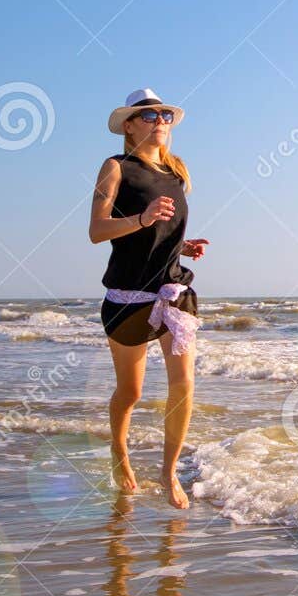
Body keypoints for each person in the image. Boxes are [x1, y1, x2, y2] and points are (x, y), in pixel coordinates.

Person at [88, 88, 209, 509]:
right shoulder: (115, 167)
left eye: (165, 115)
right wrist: (139, 219)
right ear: (129, 125)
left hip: (174, 291)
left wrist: (182, 246)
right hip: (128, 296)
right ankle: (119, 454)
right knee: (131, 392)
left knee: (184, 383)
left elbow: (159, 235)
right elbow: (97, 231)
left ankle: (167, 470)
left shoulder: (177, 175)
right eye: (149, 115)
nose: (160, 121)